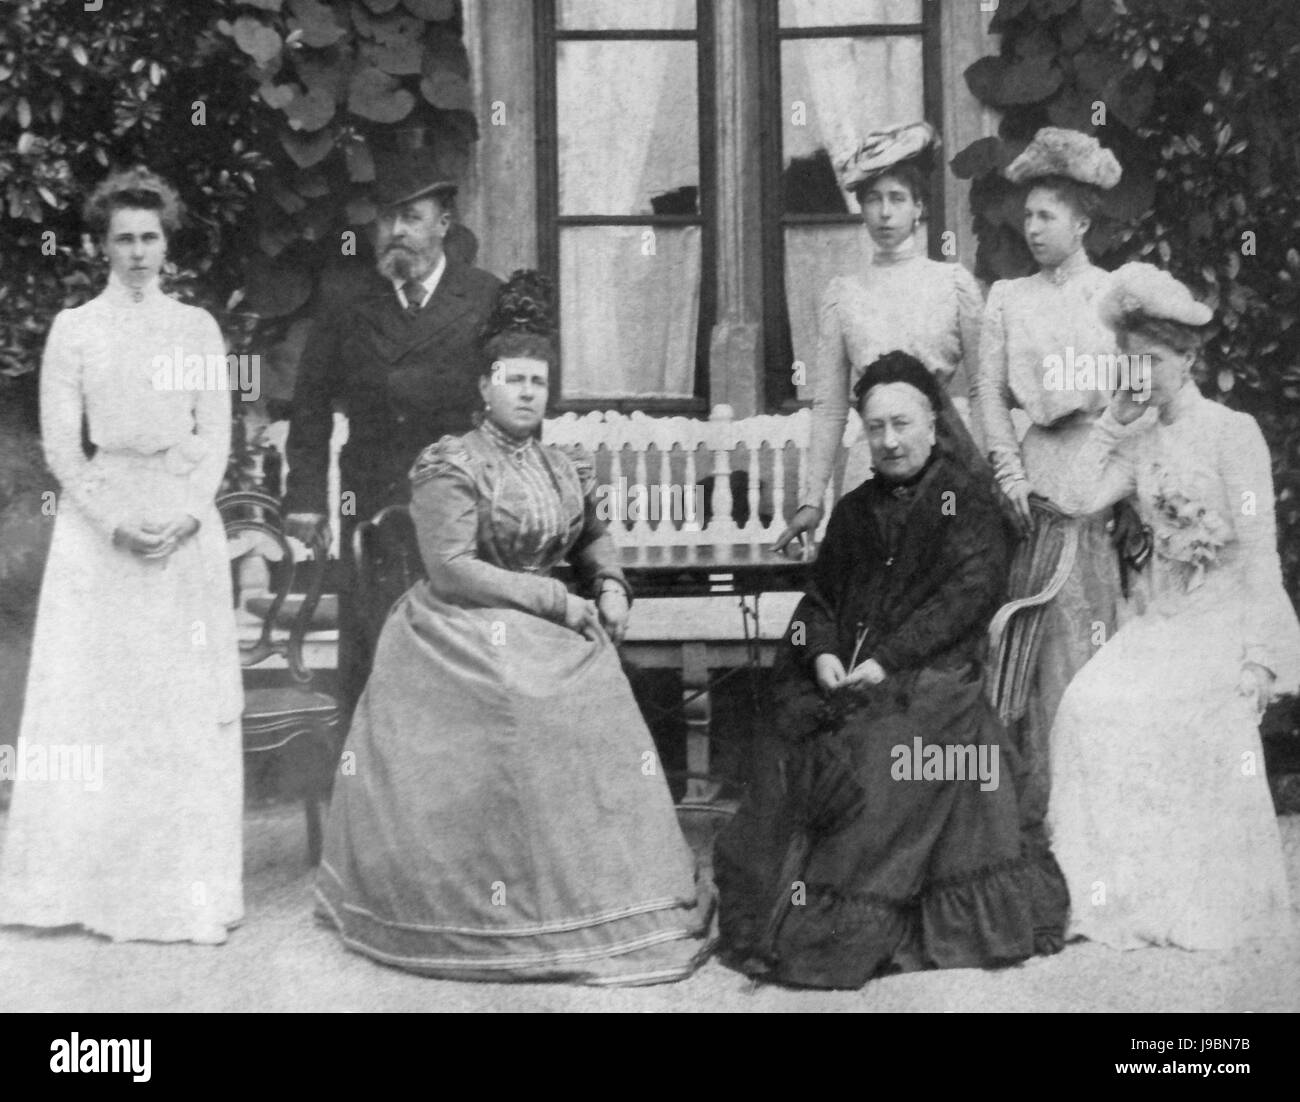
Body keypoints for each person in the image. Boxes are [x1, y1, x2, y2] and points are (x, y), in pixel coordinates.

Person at [314, 272, 711, 983]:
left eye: (538, 380)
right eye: (513, 379)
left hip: (543, 619)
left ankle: (595, 891)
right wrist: (554, 600)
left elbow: (592, 534)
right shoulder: (452, 461)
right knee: (524, 700)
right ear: (485, 388)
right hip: (458, 627)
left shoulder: (563, 464)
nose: (528, 392)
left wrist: (613, 584)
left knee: (589, 691)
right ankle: (497, 905)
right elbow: (450, 567)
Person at [715, 352, 1065, 989]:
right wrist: (822, 652)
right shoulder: (853, 511)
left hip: (934, 679)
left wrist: (883, 663)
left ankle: (830, 929)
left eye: (902, 423)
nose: (890, 440)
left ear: (933, 422)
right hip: (850, 676)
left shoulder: (968, 502)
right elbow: (820, 597)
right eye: (875, 428)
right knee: (788, 753)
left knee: (876, 757)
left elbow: (964, 600)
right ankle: (775, 912)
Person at [0, 168, 243, 944]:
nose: (138, 252)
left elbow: (216, 440)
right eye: (123, 239)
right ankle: (75, 889)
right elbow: (61, 449)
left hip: (180, 526)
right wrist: (111, 525)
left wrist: (183, 517)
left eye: (150, 237)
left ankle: (176, 896)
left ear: (168, 244)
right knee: (96, 708)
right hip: (97, 534)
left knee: (171, 707)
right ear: (101, 246)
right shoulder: (75, 329)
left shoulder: (197, 329)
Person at [1047, 263, 1300, 949]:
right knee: (1085, 705)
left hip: (1223, 623)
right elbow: (1071, 501)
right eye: (1128, 363)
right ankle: (1113, 896)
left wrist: (1261, 659)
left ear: (1188, 358)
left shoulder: (1232, 433)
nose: (1139, 376)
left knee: (1185, 711)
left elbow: (1260, 553)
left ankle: (1194, 898)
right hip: (1164, 623)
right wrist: (1109, 425)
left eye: (1151, 361)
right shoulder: (1137, 441)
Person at [969, 126, 1129, 906]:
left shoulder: (1113, 295)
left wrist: (1100, 430)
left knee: (1088, 633)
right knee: (1025, 643)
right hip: (1032, 475)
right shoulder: (1007, 299)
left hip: (1093, 475)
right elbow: (989, 399)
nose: (1032, 229)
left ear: (1082, 224)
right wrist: (1006, 472)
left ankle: (1092, 823)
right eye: (1027, 215)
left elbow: (1135, 396)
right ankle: (1030, 824)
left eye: (1047, 215)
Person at [283, 148, 501, 711]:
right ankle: (365, 784)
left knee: (460, 647)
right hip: (371, 499)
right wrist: (305, 499)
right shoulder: (347, 301)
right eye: (387, 219)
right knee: (374, 646)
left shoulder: (484, 298)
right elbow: (309, 406)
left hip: (458, 503)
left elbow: (513, 407)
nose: (396, 232)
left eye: (412, 218)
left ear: (443, 224)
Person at [774, 122, 985, 555]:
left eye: (897, 199)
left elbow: (985, 389)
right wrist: (812, 499)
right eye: (873, 200)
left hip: (944, 463)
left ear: (918, 207)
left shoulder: (951, 284)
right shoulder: (845, 294)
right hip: (870, 463)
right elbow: (830, 406)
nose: (885, 213)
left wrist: (995, 475)